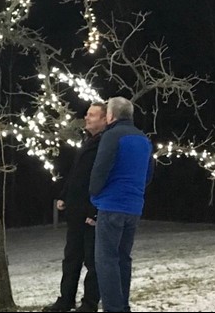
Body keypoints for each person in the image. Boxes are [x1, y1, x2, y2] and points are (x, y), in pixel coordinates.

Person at [89, 96, 153, 313]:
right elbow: (148, 174)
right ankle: (123, 305)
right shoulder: (144, 139)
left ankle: (113, 308)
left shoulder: (111, 136)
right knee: (123, 258)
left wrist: (94, 195)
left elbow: (101, 169)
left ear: (110, 115)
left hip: (111, 205)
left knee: (106, 259)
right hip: (134, 207)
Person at [44, 102, 108, 312]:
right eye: (87, 114)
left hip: (90, 212)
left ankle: (89, 304)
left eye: (92, 115)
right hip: (75, 210)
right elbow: (76, 174)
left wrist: (94, 210)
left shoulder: (105, 144)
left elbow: (101, 179)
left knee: (92, 260)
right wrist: (63, 195)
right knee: (71, 257)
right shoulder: (87, 141)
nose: (87, 118)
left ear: (104, 119)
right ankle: (65, 299)